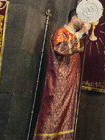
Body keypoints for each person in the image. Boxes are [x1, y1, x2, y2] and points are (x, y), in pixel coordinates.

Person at [34, 9, 91, 139]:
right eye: (82, 19)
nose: (83, 23)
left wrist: (84, 34)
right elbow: (61, 48)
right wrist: (82, 32)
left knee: (66, 119)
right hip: (57, 85)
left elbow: (79, 47)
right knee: (52, 116)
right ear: (74, 18)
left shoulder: (74, 36)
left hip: (69, 87)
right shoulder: (60, 33)